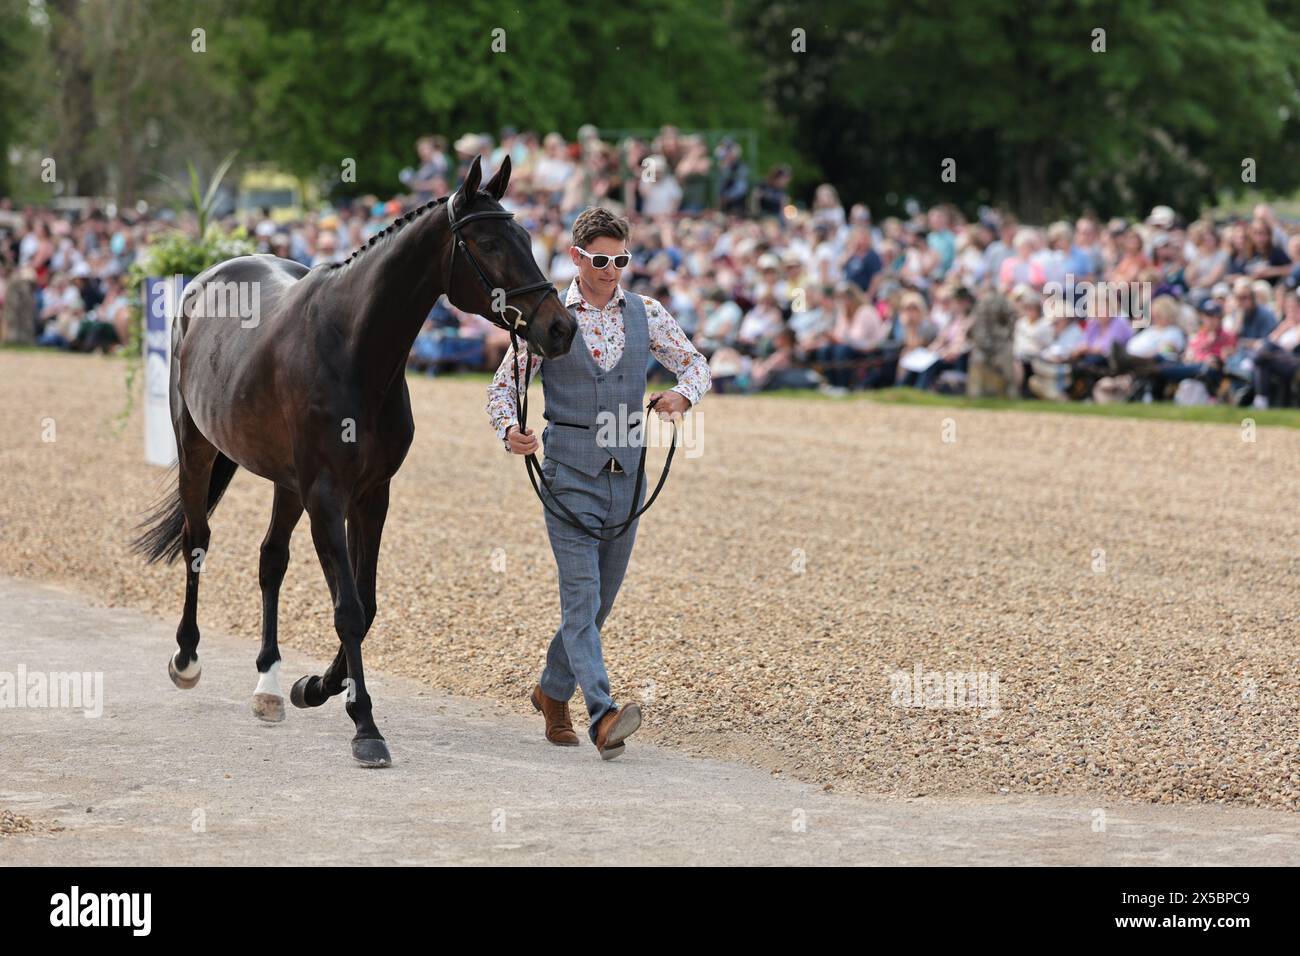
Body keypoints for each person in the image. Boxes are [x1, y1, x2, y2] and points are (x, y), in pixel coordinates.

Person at [485, 207, 711, 760]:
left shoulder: (647, 312)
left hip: (627, 478)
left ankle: (551, 691)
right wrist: (511, 429)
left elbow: (696, 363)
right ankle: (603, 714)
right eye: (601, 260)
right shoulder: (550, 316)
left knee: (599, 605)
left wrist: (683, 395)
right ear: (577, 258)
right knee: (582, 598)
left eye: (621, 260)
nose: (612, 270)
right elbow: (502, 387)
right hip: (567, 475)